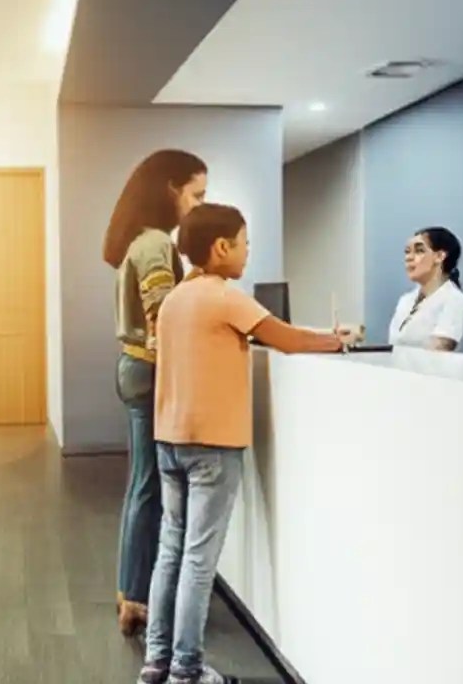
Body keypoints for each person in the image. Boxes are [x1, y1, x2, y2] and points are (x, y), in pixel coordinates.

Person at [138, 203, 352, 684]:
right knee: (198, 558)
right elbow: (289, 339)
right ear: (221, 248)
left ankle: (157, 662)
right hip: (212, 444)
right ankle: (187, 670)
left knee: (171, 549)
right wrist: (338, 340)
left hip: (169, 439)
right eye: (244, 242)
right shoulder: (224, 296)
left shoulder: (174, 299)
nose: (248, 251)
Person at [102, 149, 207, 636]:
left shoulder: (142, 242)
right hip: (148, 371)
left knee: (142, 484)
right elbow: (163, 318)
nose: (198, 206)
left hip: (134, 368)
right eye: (196, 194)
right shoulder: (155, 244)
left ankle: (132, 592)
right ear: (171, 189)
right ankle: (136, 596)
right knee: (147, 486)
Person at [388, 226, 463, 351]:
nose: (409, 257)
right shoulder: (405, 300)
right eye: (407, 251)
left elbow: (436, 354)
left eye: (419, 251)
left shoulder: (455, 301)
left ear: (439, 256)